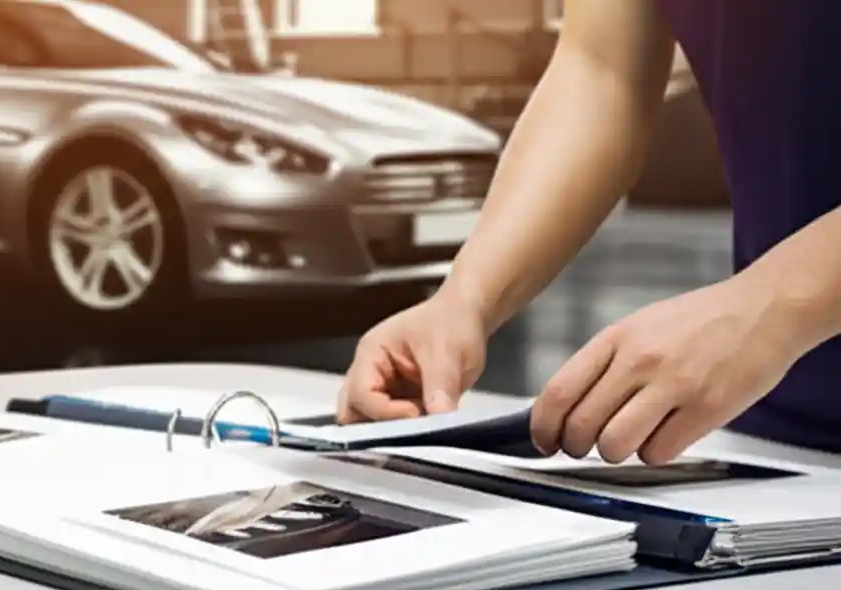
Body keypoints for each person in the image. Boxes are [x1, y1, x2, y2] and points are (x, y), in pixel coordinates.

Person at [337, 1, 841, 463]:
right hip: (781, 431)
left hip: (774, 369)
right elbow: (602, 69)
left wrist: (772, 304)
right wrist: (464, 300)